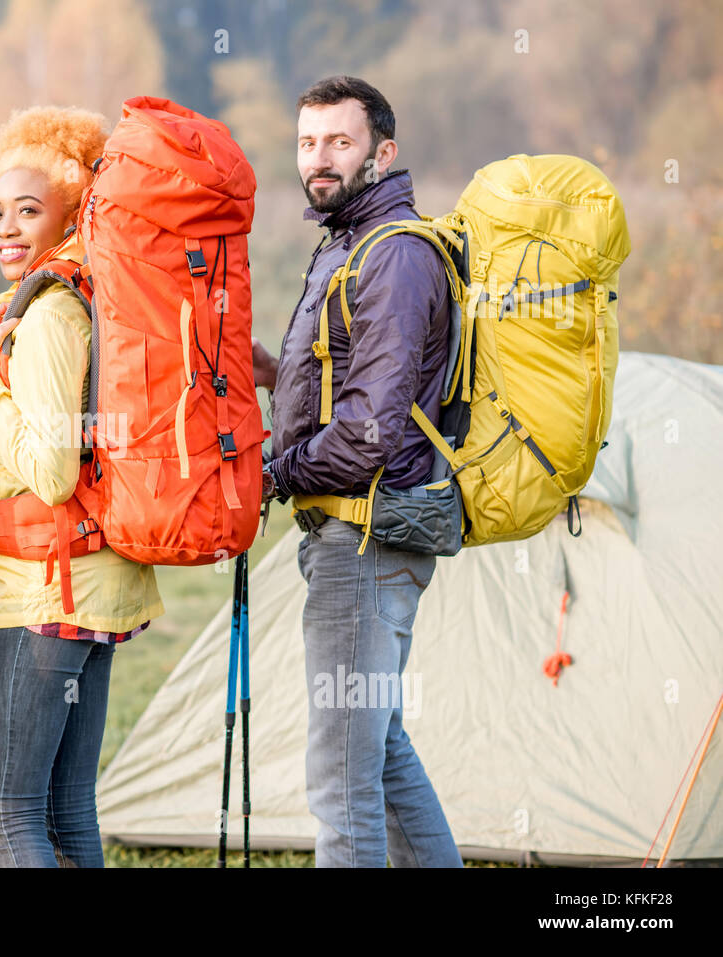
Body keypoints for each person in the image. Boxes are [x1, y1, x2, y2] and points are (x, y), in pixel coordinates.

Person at [252, 76, 462, 868]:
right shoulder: (347, 241)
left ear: (383, 151)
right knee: (378, 749)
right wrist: (280, 378)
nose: (319, 159)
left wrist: (274, 473)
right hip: (356, 532)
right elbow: (361, 385)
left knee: (341, 782)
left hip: (366, 535)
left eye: (339, 141)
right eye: (308, 143)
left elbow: (371, 428)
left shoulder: (395, 253)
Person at [0, 106, 164, 867]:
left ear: (72, 209)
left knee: (10, 815)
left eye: (27, 210)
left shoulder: (49, 315)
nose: (5, 229)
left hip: (49, 593)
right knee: (66, 806)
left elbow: (49, 469)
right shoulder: (95, 292)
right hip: (94, 583)